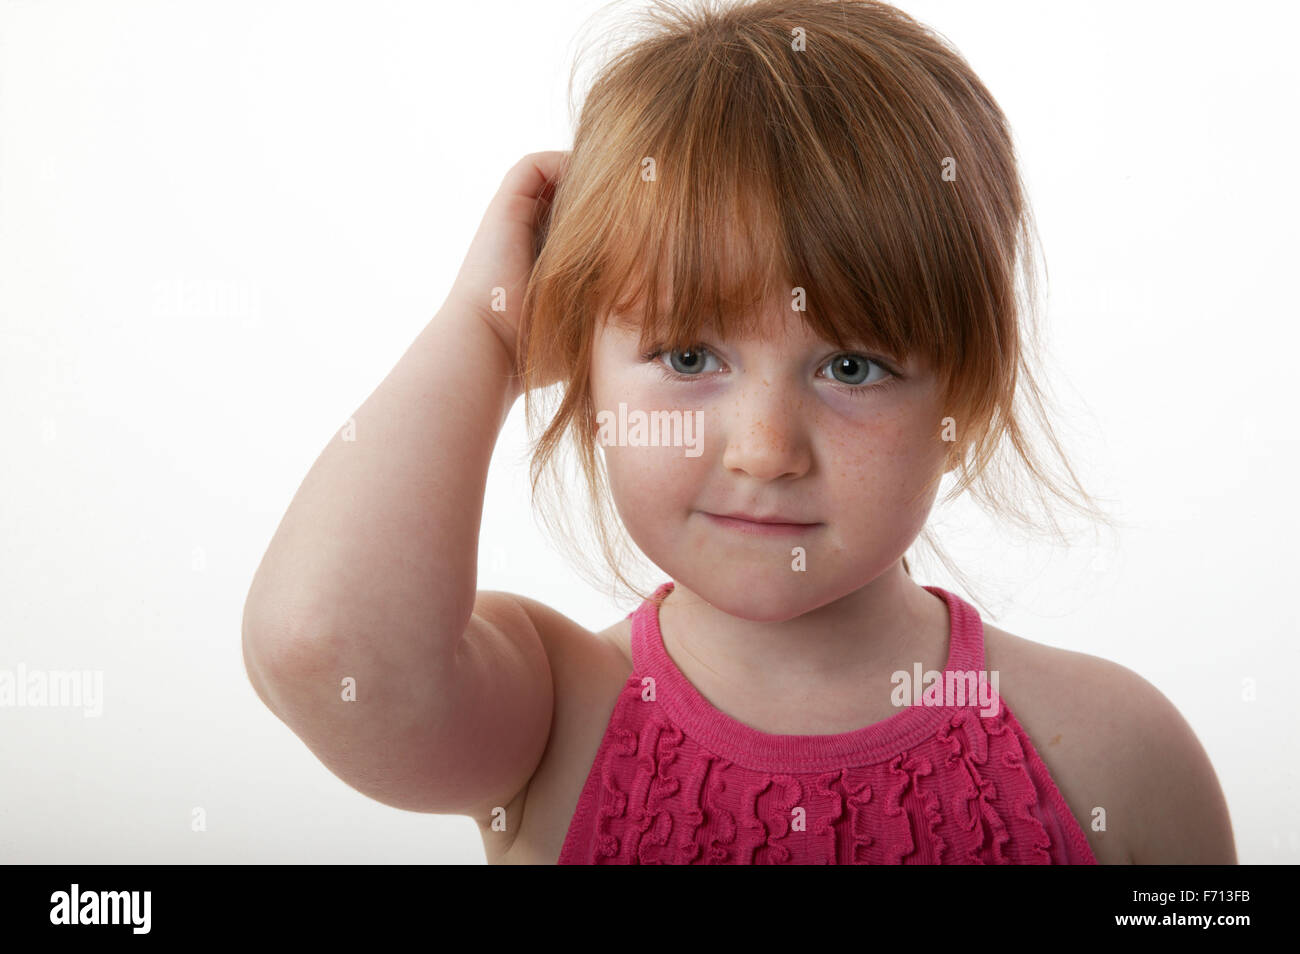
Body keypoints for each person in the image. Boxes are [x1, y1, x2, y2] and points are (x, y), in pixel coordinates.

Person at [241, 0, 1236, 864]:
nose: (763, 449)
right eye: (687, 359)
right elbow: (321, 646)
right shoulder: (551, 721)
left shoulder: (1109, 752)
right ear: (584, 378)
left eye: (850, 367)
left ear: (962, 398)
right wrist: (488, 328)